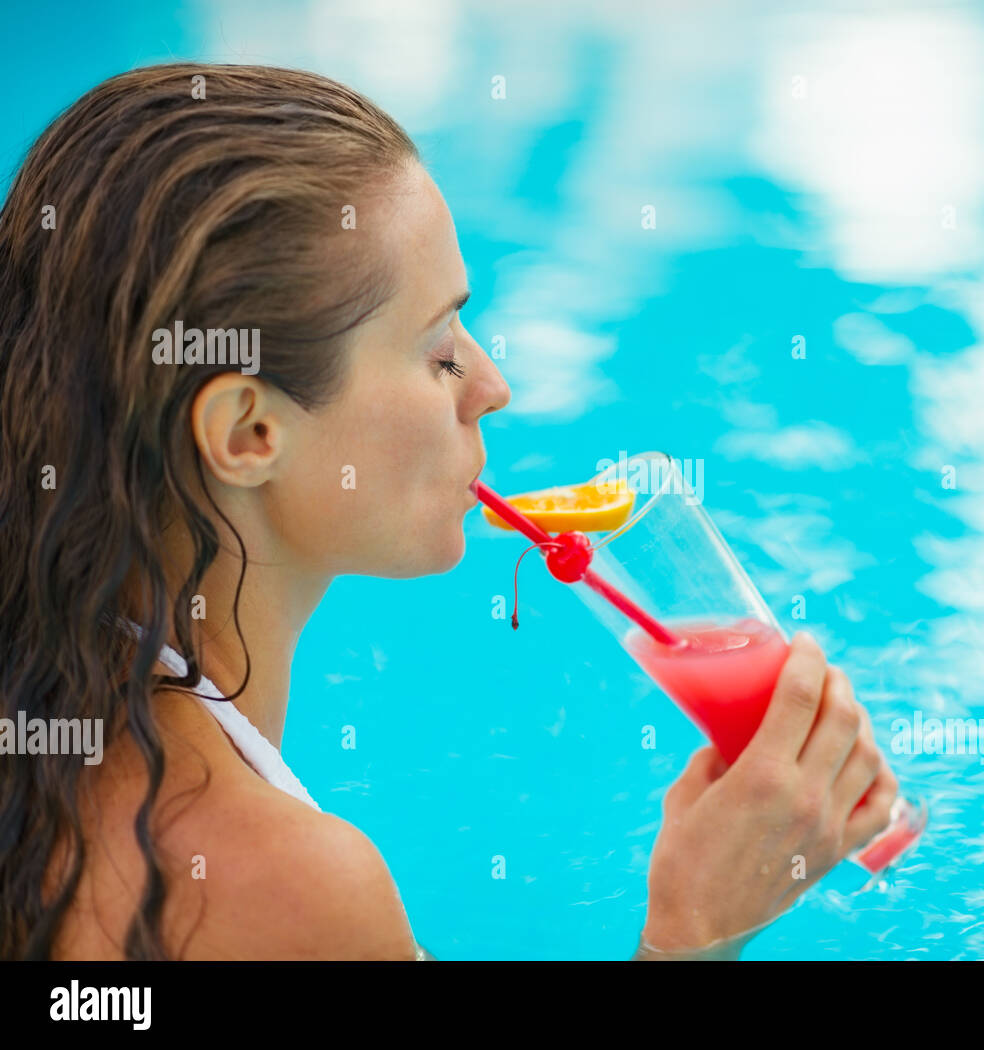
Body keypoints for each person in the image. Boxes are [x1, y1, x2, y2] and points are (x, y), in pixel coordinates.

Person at [0, 63, 898, 961]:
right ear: (249, 430)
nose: (493, 388)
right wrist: (698, 928)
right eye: (439, 353)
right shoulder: (290, 887)